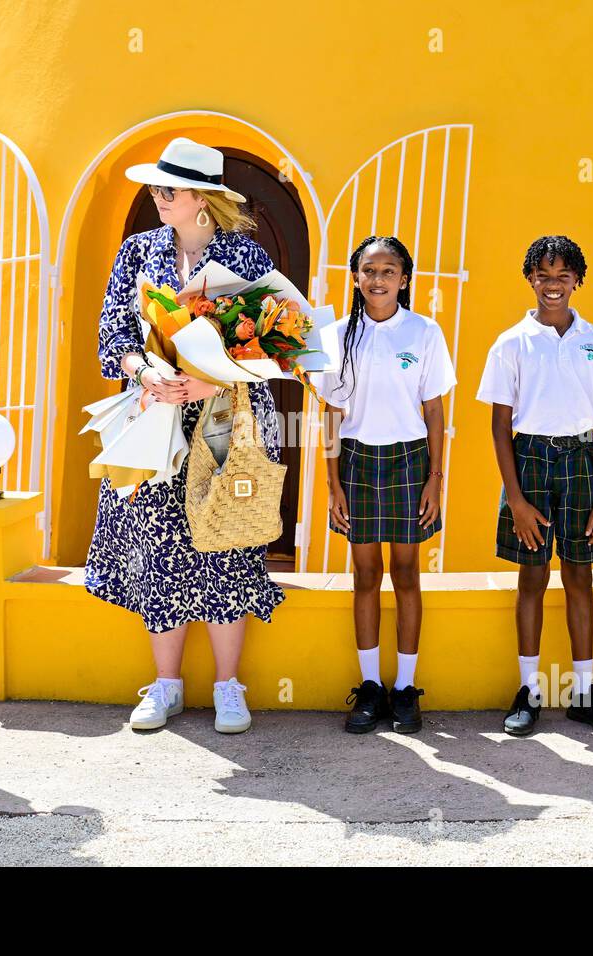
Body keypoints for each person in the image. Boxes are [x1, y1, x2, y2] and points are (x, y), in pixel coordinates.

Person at [88, 137, 284, 734]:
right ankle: (166, 686)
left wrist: (209, 383)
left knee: (227, 538)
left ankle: (228, 687)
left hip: (228, 418)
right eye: (156, 186)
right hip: (156, 416)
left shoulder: (245, 258)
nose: (158, 195)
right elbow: (114, 335)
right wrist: (148, 373)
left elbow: (278, 343)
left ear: (203, 197)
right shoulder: (137, 252)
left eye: (169, 187)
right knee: (157, 546)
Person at [478, 236, 593, 736]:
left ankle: (586, 691)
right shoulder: (511, 343)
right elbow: (500, 425)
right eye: (543, 276)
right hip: (530, 462)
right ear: (530, 280)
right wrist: (516, 499)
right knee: (532, 577)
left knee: (580, 577)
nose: (553, 285)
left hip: (582, 461)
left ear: (577, 280)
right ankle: (530, 691)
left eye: (563, 276)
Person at [317, 236, 456, 735]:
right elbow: (330, 414)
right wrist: (332, 485)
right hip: (356, 461)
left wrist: (435, 480)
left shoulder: (424, 332)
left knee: (407, 572)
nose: (378, 279)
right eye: (369, 270)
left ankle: (405, 690)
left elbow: (435, 409)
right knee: (365, 574)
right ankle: (371, 687)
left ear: (404, 278)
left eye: (389, 270)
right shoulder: (336, 336)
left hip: (409, 460)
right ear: (356, 277)